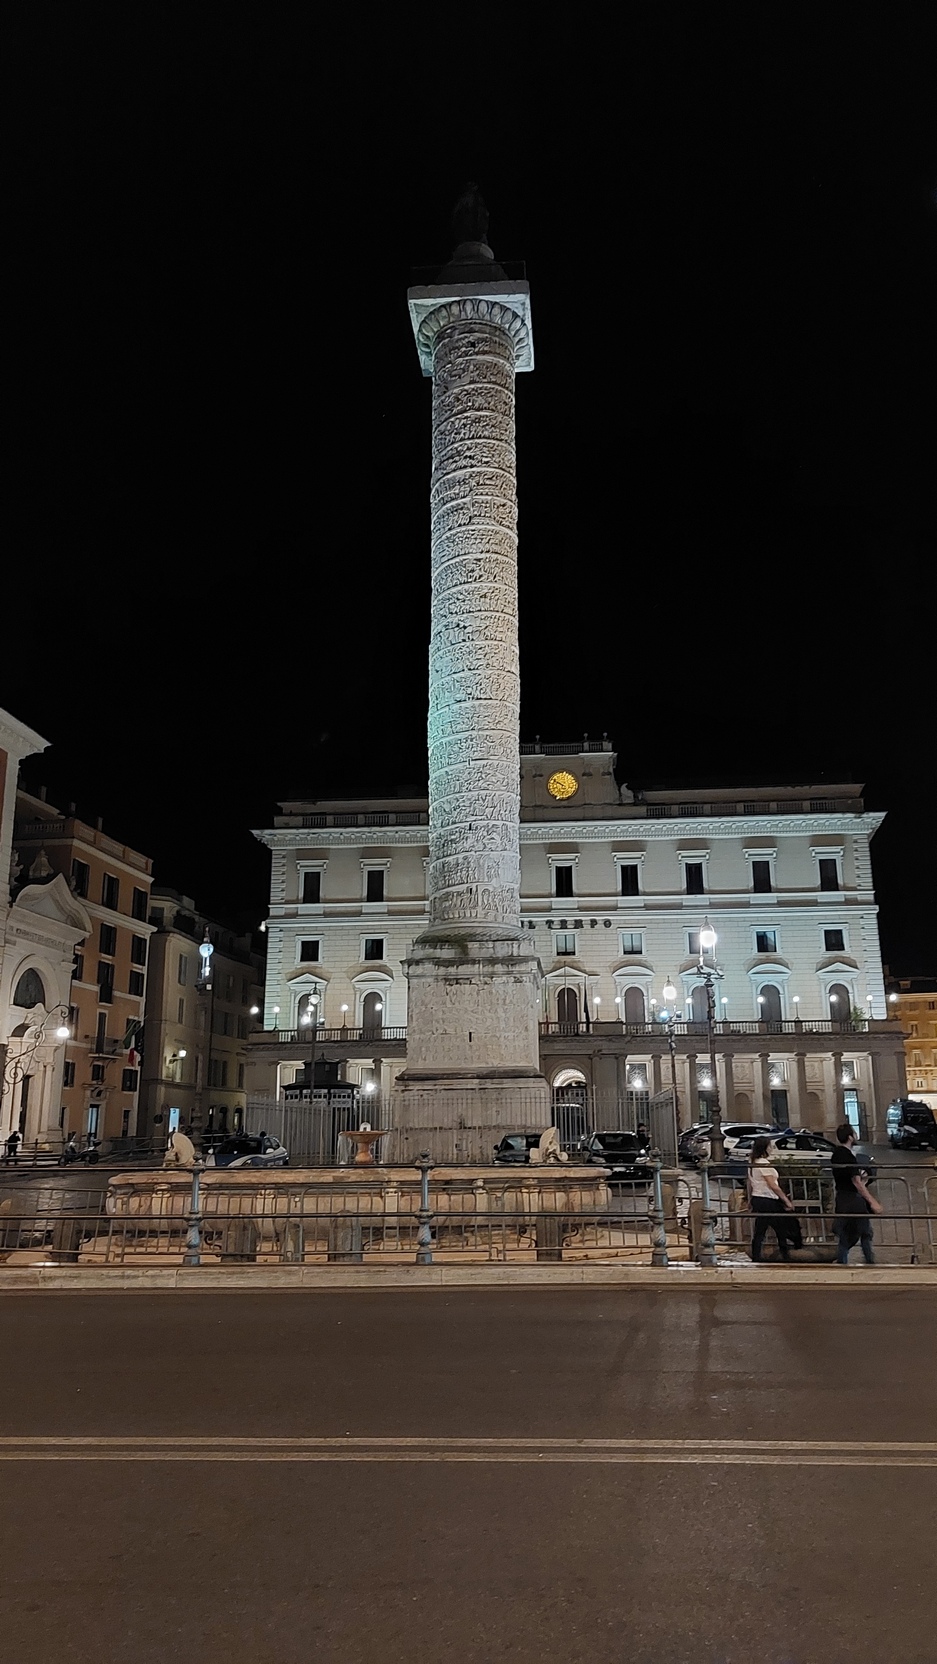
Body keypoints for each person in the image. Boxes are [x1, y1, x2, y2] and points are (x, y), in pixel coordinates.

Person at [831, 1122, 882, 1265]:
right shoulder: (849, 1157)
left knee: (845, 1234)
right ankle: (869, 1261)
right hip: (853, 1200)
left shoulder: (836, 1154)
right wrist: (873, 1202)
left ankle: (842, 1261)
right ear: (850, 1137)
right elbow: (856, 1182)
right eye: (853, 1133)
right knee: (865, 1232)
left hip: (841, 1198)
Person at [748, 1135, 799, 1262]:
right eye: (770, 1146)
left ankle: (757, 1255)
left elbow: (750, 1183)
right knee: (779, 1227)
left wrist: (750, 1199)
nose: (771, 1148)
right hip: (767, 1199)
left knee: (761, 1228)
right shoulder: (763, 1164)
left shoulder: (752, 1163)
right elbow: (773, 1185)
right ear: (765, 1148)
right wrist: (786, 1200)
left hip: (758, 1198)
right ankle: (784, 1254)